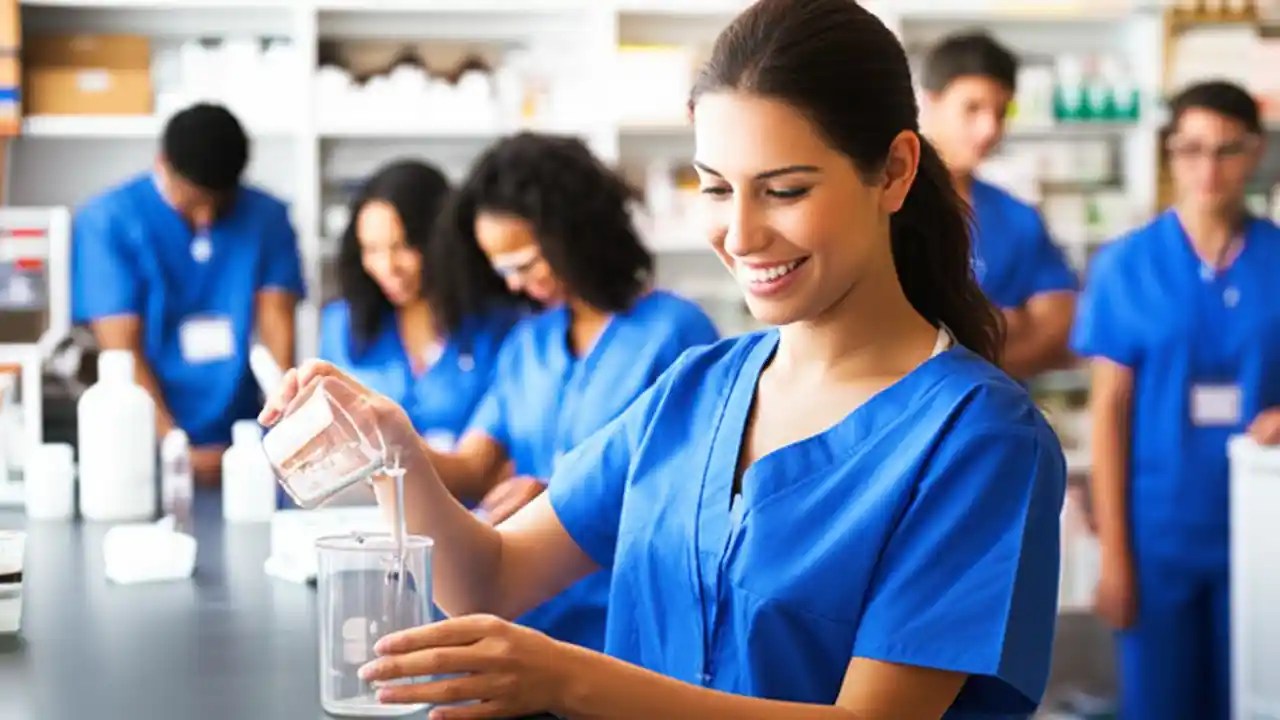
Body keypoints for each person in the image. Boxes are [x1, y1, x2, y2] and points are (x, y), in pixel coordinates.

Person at [263, 1, 1066, 717]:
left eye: (783, 190)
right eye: (716, 188)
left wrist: (570, 681)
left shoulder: (979, 439)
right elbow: (491, 578)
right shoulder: (700, 391)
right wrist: (393, 453)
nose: (740, 235)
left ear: (893, 171)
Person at [413, 132, 718, 650]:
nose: (513, 284)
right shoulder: (529, 345)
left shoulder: (675, 334)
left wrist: (563, 502)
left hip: (625, 633)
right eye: (501, 269)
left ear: (573, 235)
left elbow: (697, 500)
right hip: (525, 625)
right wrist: (383, 442)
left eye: (525, 263)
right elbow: (471, 468)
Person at [1073, 81, 1280, 720]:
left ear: (1256, 153)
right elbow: (1107, 412)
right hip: (1156, 532)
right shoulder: (1127, 264)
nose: (1208, 168)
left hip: (1264, 531)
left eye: (1227, 150)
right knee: (1160, 703)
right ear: (1169, 152)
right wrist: (1113, 560)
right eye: (1191, 149)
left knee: (1256, 700)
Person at [72, 103, 304, 483]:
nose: (206, 219)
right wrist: (174, 447)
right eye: (194, 201)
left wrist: (282, 433)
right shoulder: (109, 221)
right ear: (162, 164)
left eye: (220, 203)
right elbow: (121, 349)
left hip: (245, 443)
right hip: (144, 443)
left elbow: (277, 324)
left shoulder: (267, 217)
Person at [319, 160, 520, 452]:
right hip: (364, 497)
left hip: (466, 495)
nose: (387, 267)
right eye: (371, 250)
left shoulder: (498, 328)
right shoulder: (341, 326)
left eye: (402, 247)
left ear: (439, 241)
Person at [921, 32, 1078, 380]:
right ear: (931, 102)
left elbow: (1058, 328)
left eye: (1001, 111)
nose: (989, 129)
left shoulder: (1017, 218)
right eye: (972, 108)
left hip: (995, 419)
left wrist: (962, 373)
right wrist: (1005, 322)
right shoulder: (882, 206)